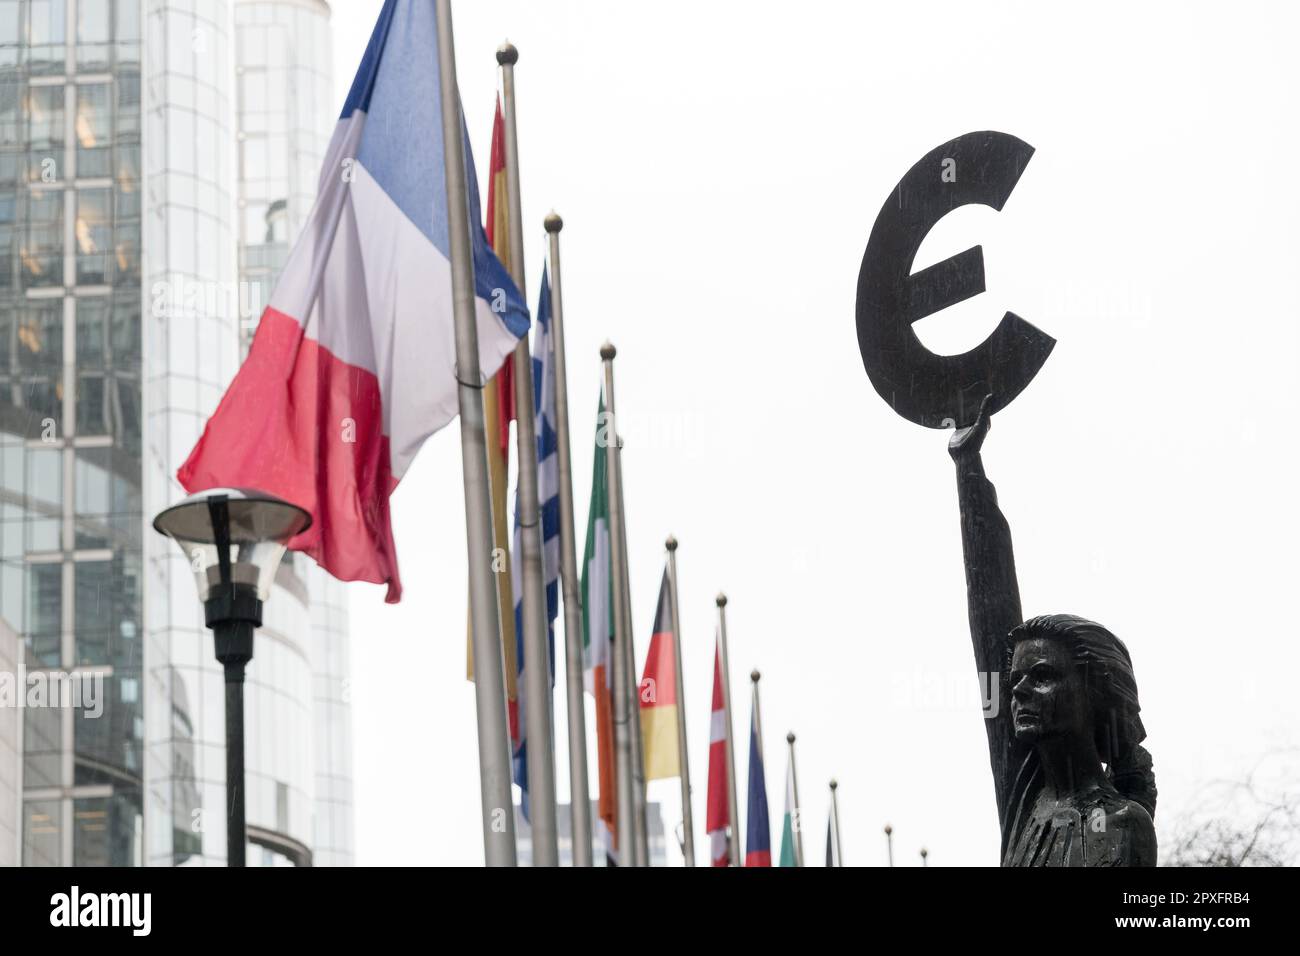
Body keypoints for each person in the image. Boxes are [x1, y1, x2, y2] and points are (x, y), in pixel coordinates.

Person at [949, 396, 1157, 866]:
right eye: (1016, 678)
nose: (1018, 689)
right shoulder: (1025, 796)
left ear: (1092, 693)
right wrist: (968, 471)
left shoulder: (1124, 825)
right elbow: (989, 608)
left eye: (1041, 676)